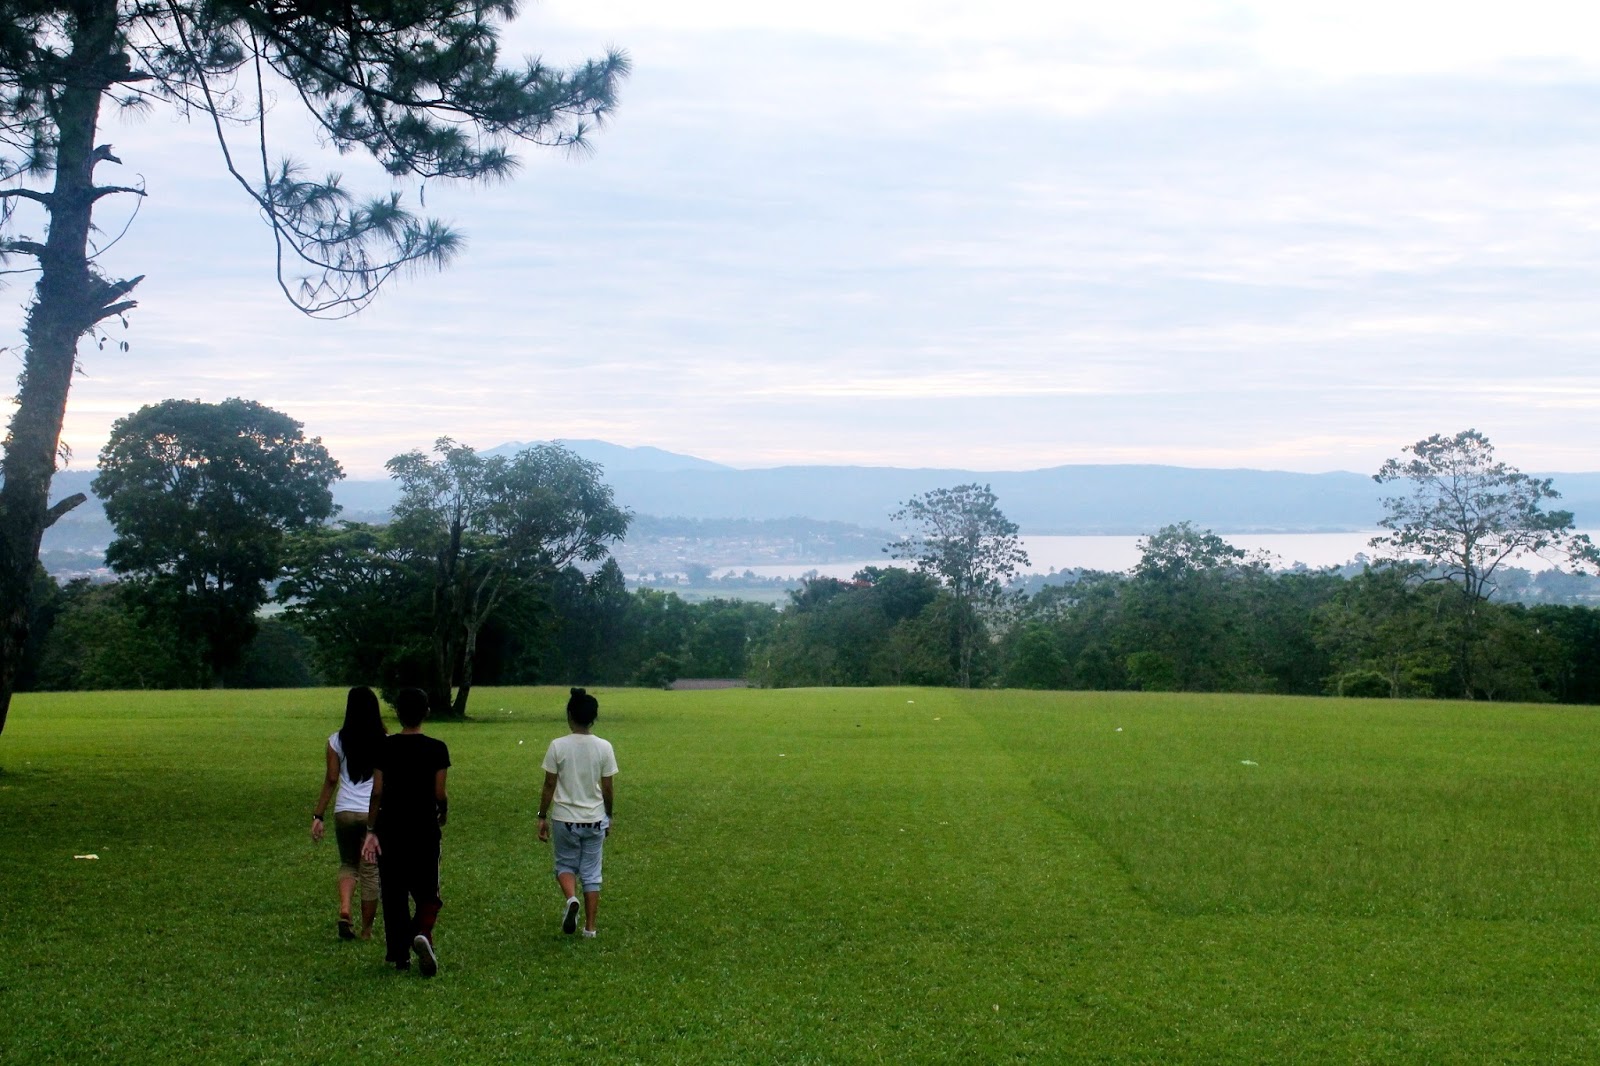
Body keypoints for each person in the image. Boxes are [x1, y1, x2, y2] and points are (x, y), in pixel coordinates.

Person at [361, 688, 450, 976]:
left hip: (391, 828)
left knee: (394, 892)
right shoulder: (437, 749)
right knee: (428, 890)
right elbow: (439, 792)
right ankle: (421, 931)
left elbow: (377, 791)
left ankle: (399, 955)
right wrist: (443, 809)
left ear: (398, 713)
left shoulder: (384, 747)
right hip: (424, 827)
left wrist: (371, 828)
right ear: (427, 712)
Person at [537, 687, 617, 938]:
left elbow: (549, 784)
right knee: (592, 874)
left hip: (564, 819)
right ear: (593, 717)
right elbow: (607, 788)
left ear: (569, 715)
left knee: (564, 865)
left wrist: (541, 815)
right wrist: (609, 815)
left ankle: (571, 898)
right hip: (594, 818)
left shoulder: (558, 746)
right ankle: (590, 928)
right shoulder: (604, 747)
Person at [310, 686, 386, 940]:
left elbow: (332, 779)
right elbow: (384, 784)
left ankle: (345, 909)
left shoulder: (336, 741)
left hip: (344, 811)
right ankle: (366, 930)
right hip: (370, 813)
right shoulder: (385, 741)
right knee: (370, 869)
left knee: (348, 863)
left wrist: (318, 815)